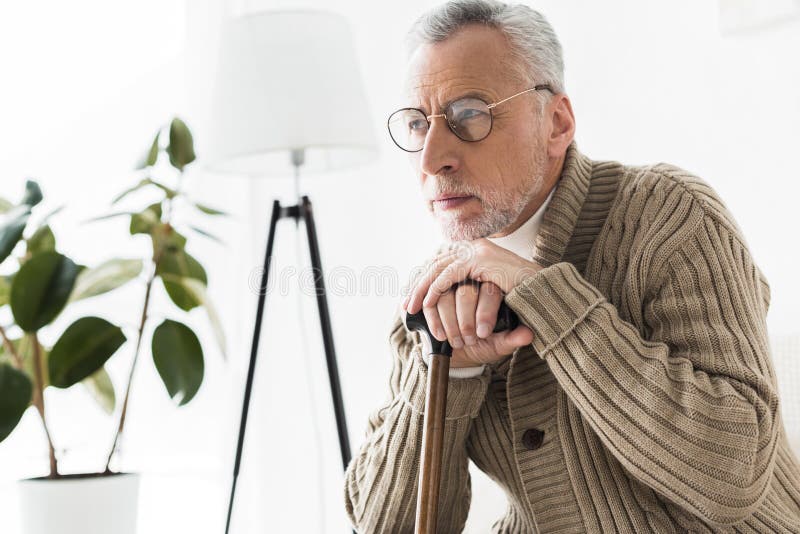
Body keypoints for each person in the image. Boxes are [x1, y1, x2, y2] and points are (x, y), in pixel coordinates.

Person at [343, 1, 800, 532]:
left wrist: (548, 300)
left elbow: (735, 476)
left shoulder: (669, 216)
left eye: (470, 114)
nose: (431, 159)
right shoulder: (438, 294)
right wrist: (451, 366)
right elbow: (386, 526)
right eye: (418, 125)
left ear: (556, 123)